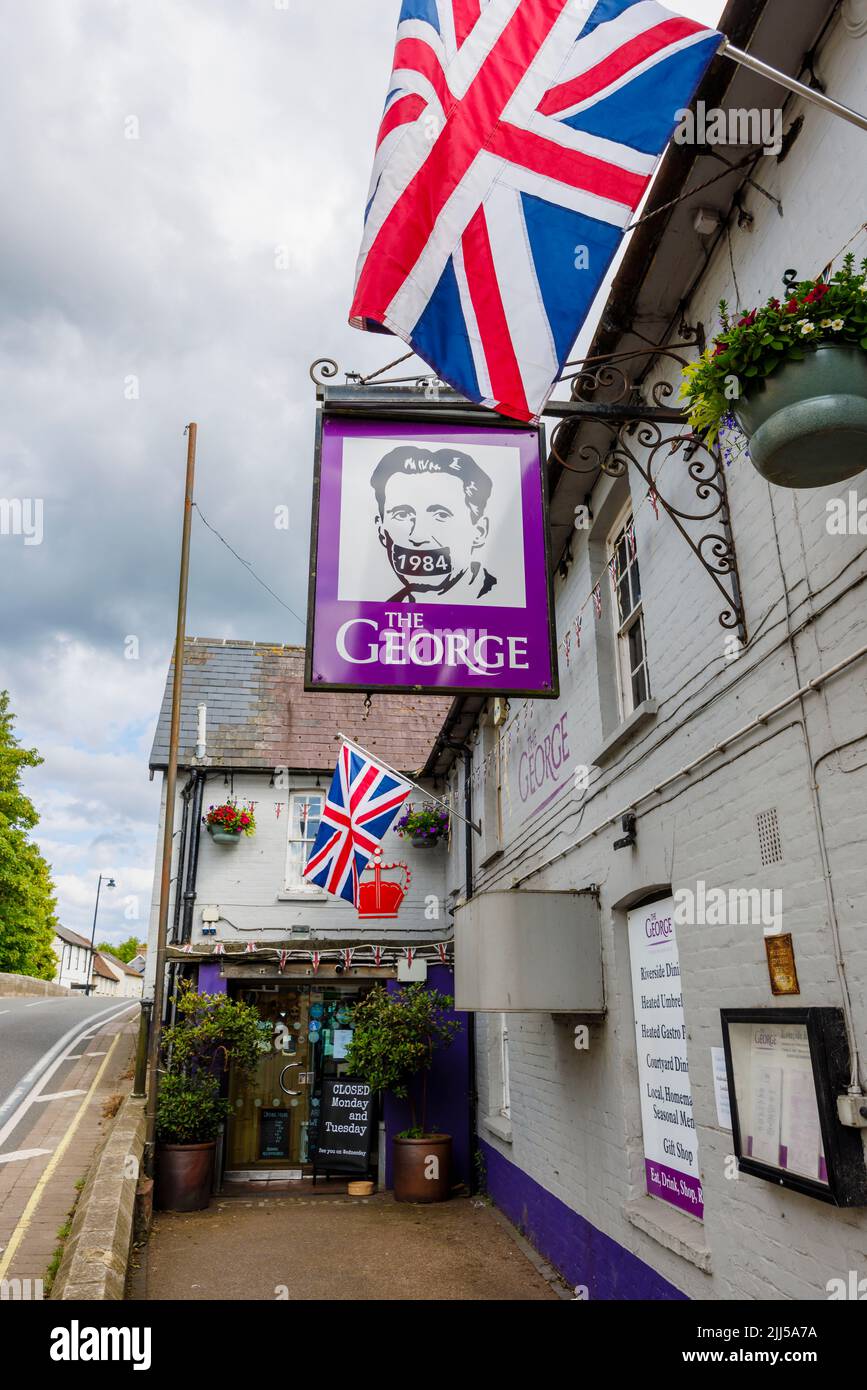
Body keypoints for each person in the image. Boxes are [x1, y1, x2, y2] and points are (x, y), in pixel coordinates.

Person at [369, 444, 498, 603]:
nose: (417, 536)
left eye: (440, 515)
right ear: (381, 530)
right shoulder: (377, 616)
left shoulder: (507, 606)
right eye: (401, 515)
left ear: (479, 532)